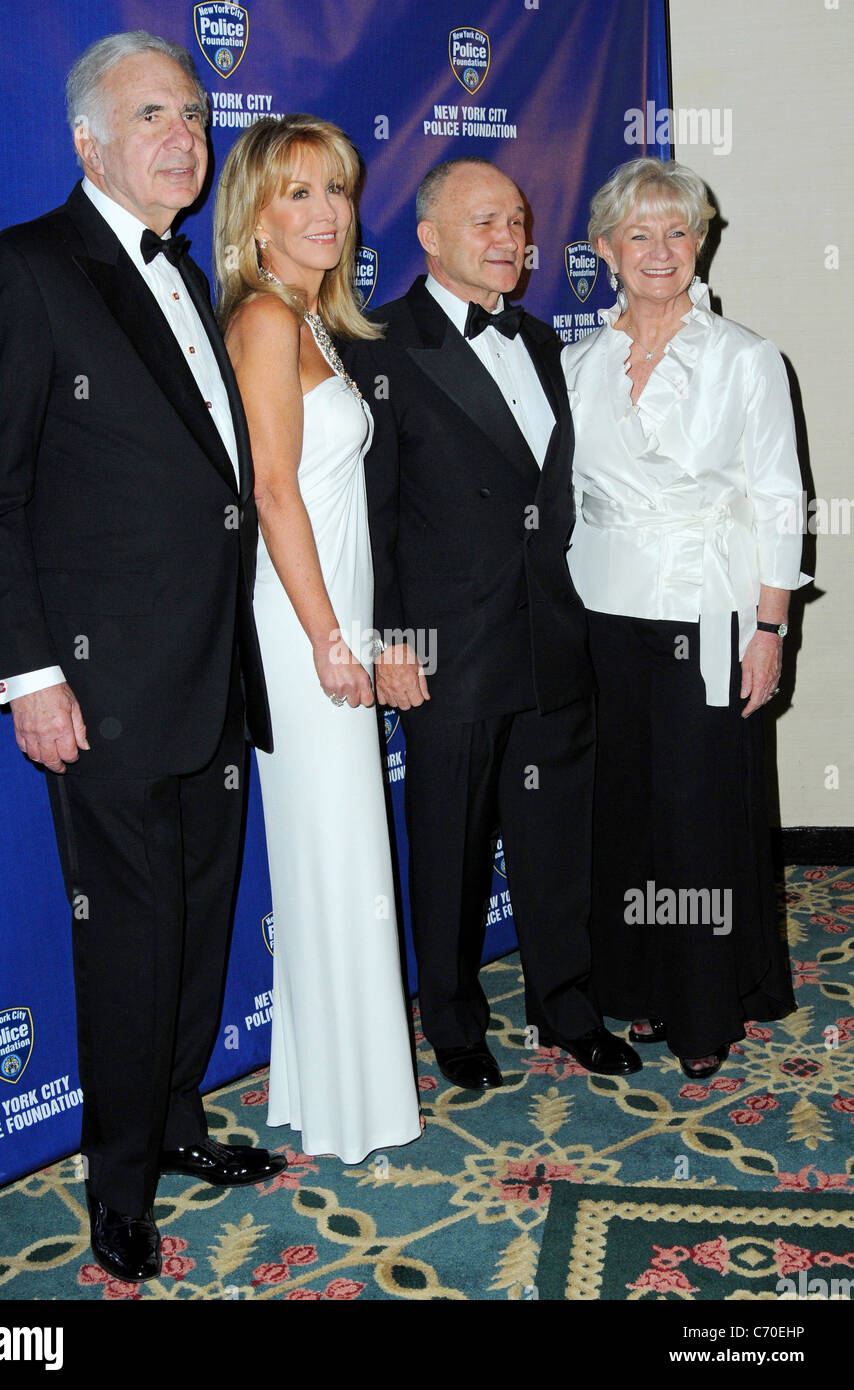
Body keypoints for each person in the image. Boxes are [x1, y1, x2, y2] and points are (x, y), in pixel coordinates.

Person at [0, 31, 287, 1285]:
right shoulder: (24, 271)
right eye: (154, 115)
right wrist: (29, 673)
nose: (184, 137)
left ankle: (180, 1120)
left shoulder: (189, 277)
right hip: (100, 690)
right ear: (87, 139)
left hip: (209, 675)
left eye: (194, 116)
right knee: (128, 940)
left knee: (198, 929)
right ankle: (120, 1185)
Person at [344, 157, 642, 1090]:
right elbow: (370, 512)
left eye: (516, 220)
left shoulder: (549, 343)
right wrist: (389, 639)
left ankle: (567, 1006)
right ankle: (453, 1021)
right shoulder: (382, 342)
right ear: (428, 238)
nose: (509, 239)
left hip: (551, 636)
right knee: (449, 845)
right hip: (447, 648)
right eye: (484, 222)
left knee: (558, 842)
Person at [562, 157, 807, 1079]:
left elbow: (779, 500)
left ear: (698, 242)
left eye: (677, 232)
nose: (659, 251)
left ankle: (706, 1005)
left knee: (697, 815)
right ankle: (646, 986)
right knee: (623, 814)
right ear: (605, 250)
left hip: (709, 615)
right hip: (602, 618)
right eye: (639, 234)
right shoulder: (576, 362)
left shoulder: (746, 359)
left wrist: (770, 627)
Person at [212, 115, 422, 1162]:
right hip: (301, 632)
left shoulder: (307, 318)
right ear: (254, 213)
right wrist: (333, 639)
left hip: (328, 618)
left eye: (337, 191)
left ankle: (322, 1087)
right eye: (299, 193)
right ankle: (354, 1103)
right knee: (337, 854)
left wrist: (363, 630)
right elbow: (276, 490)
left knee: (336, 858)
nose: (329, 212)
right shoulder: (262, 320)